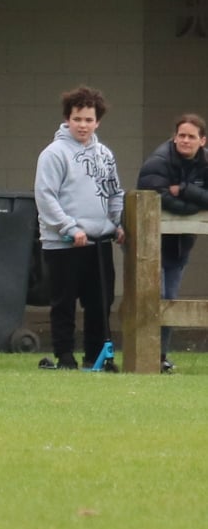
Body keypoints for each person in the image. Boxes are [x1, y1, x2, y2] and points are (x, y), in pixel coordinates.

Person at [34, 86, 123, 371]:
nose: (83, 125)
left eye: (88, 120)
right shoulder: (54, 154)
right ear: (67, 119)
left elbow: (114, 193)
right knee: (64, 303)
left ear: (97, 121)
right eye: (77, 119)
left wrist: (117, 224)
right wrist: (70, 228)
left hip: (98, 242)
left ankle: (97, 357)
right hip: (64, 243)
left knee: (100, 302)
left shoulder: (105, 155)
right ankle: (65, 357)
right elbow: (46, 196)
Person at [138, 113, 208, 372]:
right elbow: (156, 196)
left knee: (170, 298)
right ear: (174, 137)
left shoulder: (206, 163)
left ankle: (160, 357)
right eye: (181, 135)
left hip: (180, 246)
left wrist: (186, 190)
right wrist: (195, 203)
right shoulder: (158, 162)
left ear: (202, 141)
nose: (185, 141)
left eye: (191, 136)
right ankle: (146, 357)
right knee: (152, 298)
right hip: (148, 246)